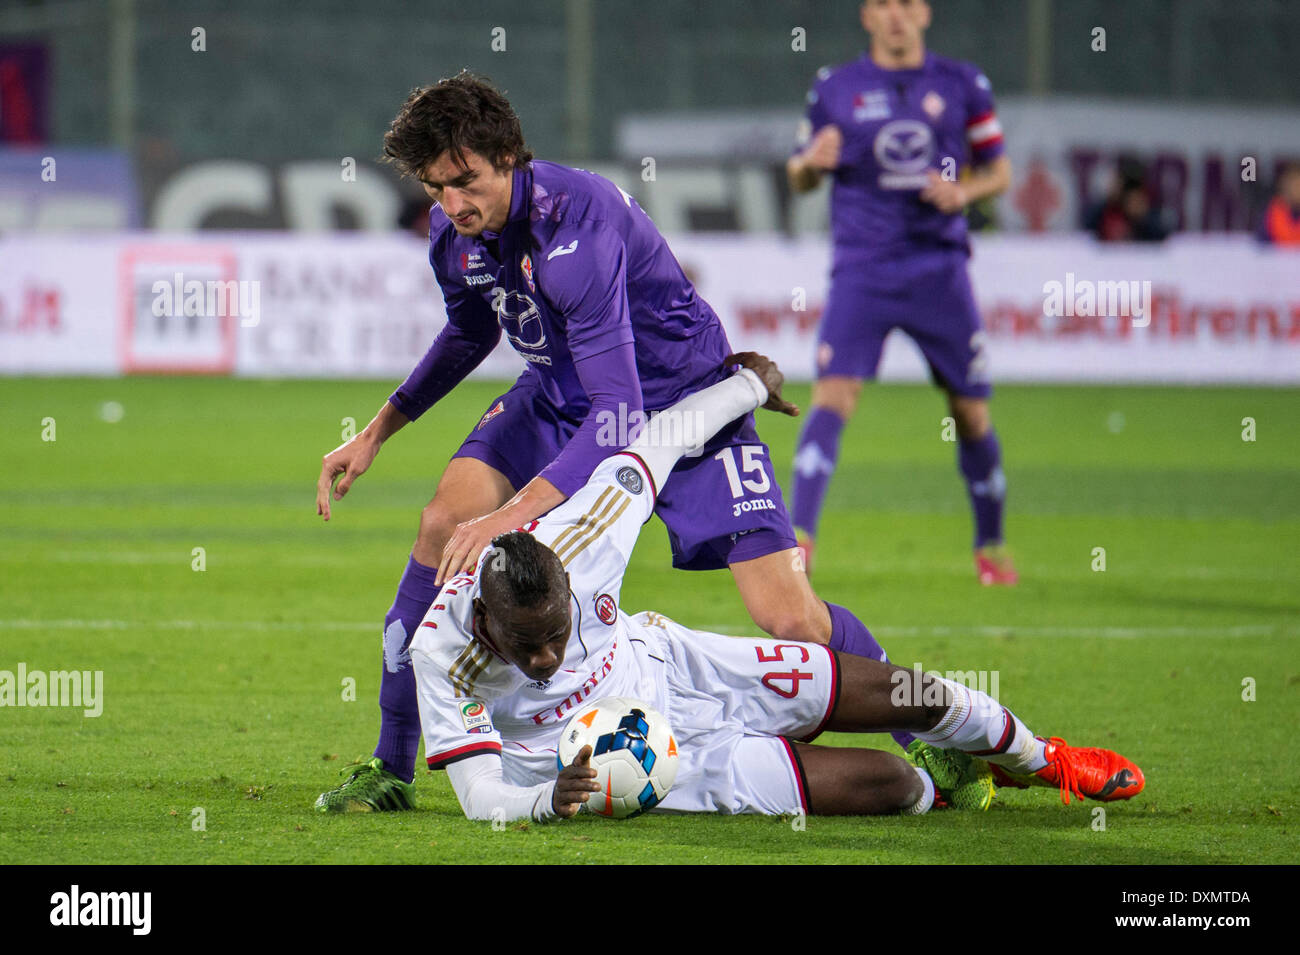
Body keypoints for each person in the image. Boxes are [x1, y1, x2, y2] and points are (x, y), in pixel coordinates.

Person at [313, 73, 906, 813]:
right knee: (440, 523)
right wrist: (379, 429)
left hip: (681, 399)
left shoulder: (578, 224)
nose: (452, 205)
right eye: (436, 189)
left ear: (508, 156)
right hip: (562, 391)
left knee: (791, 620)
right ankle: (389, 767)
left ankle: (930, 735)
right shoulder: (453, 232)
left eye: (465, 182)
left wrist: (510, 516)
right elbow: (471, 331)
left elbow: (622, 414)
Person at [408, 355, 1144, 821]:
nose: (546, 658)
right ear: (484, 623)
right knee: (892, 784)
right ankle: (939, 787)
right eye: (526, 647)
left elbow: (661, 440)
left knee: (907, 694)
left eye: (556, 634)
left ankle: (1045, 759)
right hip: (646, 767)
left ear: (568, 586)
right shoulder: (440, 653)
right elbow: (480, 798)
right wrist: (547, 799)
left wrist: (747, 385)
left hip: (677, 666)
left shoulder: (584, 532)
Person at [786, 0, 1016, 585]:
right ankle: (800, 543)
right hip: (863, 268)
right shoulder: (835, 87)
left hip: (938, 268)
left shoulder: (963, 82)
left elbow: (1000, 169)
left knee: (969, 410)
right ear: (866, 15)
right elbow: (798, 174)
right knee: (833, 396)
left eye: (907, 3)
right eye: (883, 4)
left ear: (926, 13)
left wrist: (964, 193)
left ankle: (991, 545)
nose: (896, 15)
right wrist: (812, 162)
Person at [1257, 161, 1300, 246]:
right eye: (1293, 185)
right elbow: (1262, 240)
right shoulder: (1273, 211)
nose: (1296, 190)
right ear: (1284, 186)